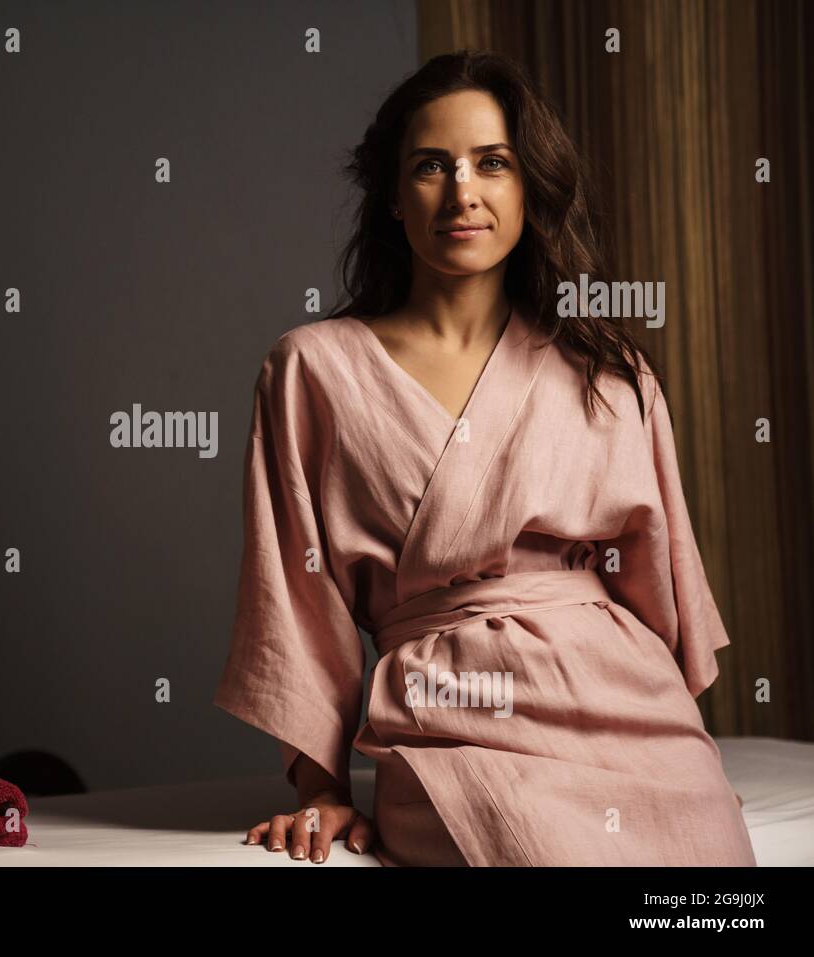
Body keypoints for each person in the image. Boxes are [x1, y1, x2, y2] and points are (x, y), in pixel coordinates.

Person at [213, 50, 756, 867]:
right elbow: (296, 593)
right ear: (393, 195)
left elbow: (658, 580)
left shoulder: (610, 367)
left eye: (492, 163)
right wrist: (321, 789)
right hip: (446, 711)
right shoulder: (311, 369)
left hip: (628, 704)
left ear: (526, 187)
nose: (462, 191)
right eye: (432, 165)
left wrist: (688, 755)